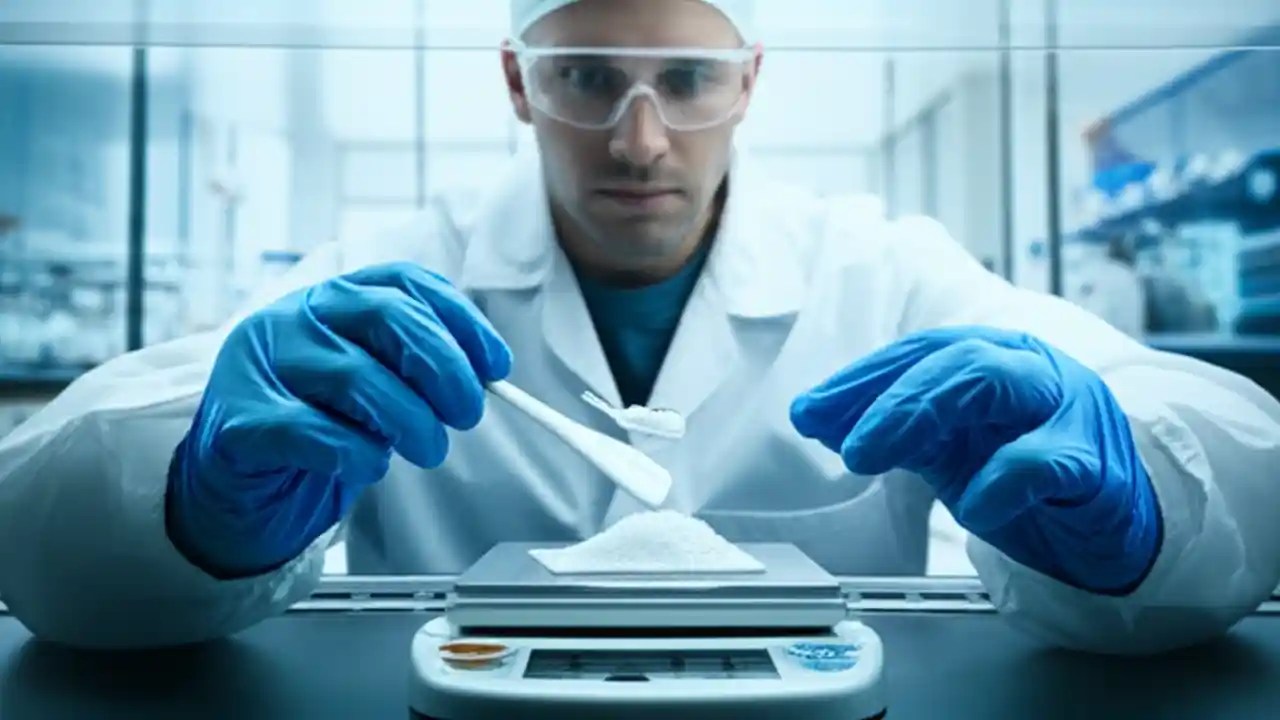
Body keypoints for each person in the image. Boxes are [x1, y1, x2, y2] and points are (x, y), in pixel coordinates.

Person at [1, 0, 1278, 657]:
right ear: (517, 80)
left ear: (749, 83)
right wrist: (182, 502)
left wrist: (1145, 517)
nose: (639, 137)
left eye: (684, 78)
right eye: (587, 77)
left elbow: (1228, 442)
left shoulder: (877, 268)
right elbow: (39, 531)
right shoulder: (393, 268)